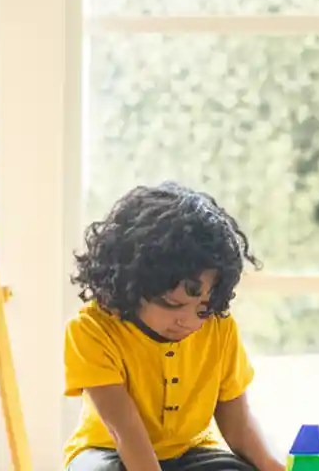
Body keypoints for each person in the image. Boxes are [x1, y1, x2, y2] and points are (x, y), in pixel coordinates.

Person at [63, 182, 284, 471]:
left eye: (203, 309)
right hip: (109, 452)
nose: (189, 321)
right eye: (172, 304)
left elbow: (238, 424)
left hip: (191, 452)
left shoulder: (219, 328)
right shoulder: (92, 329)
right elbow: (124, 432)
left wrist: (271, 466)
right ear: (133, 285)